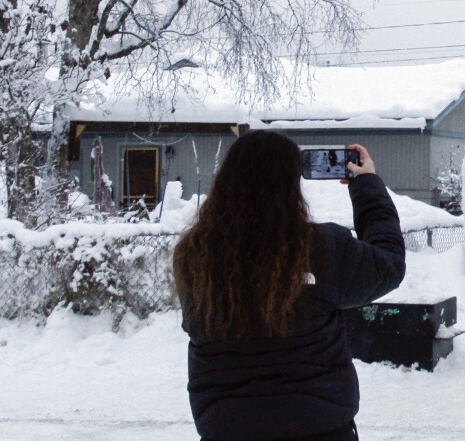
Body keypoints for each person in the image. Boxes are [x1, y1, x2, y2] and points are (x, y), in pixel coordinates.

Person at [173, 130, 405, 441]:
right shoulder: (321, 249)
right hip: (321, 428)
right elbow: (388, 263)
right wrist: (367, 186)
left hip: (227, 429)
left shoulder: (194, 255)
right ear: (290, 185)